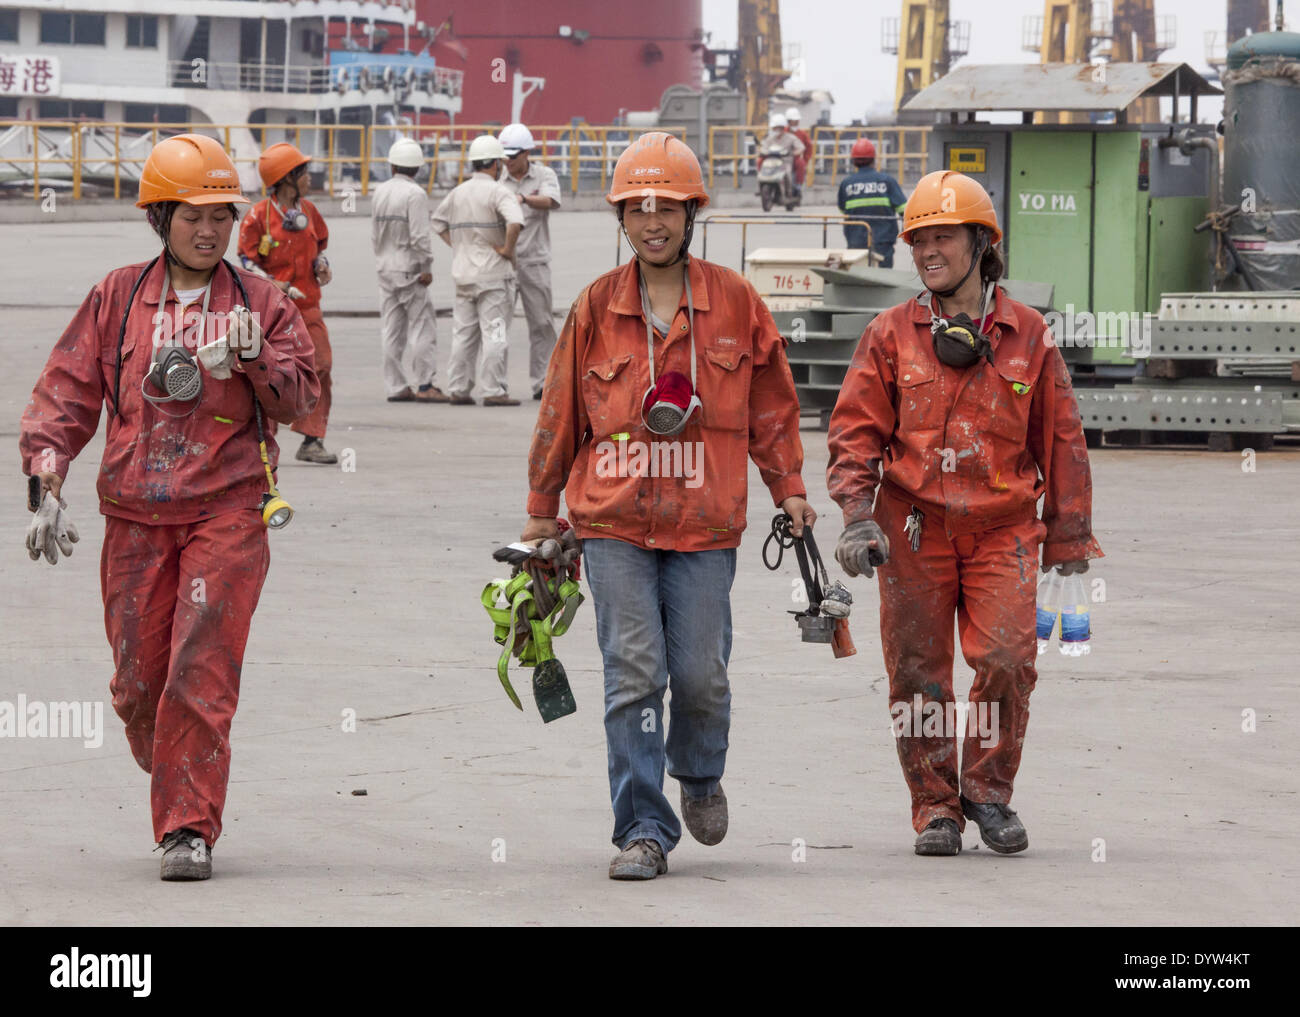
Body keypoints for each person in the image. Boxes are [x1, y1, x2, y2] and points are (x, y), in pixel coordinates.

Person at [19, 133, 319, 880]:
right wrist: (45, 482)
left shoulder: (263, 301)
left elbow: (305, 398)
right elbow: (65, 394)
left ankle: (188, 826)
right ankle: (177, 767)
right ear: (159, 217)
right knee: (138, 685)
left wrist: (257, 359)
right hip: (133, 517)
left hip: (228, 512)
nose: (210, 230)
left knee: (199, 670)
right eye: (192, 215)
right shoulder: (117, 297)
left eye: (221, 214)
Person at [523, 132, 812, 880]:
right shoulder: (595, 306)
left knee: (701, 672)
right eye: (638, 209)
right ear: (621, 217)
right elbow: (559, 412)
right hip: (612, 519)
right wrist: (538, 510)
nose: (653, 222)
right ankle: (643, 826)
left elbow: (774, 410)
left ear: (691, 215)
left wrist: (792, 489)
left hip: (704, 523)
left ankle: (701, 771)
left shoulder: (736, 303)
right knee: (634, 672)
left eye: (667, 208)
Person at [825, 171, 1102, 858]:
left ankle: (987, 789)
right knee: (917, 672)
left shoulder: (1028, 335)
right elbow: (854, 430)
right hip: (914, 529)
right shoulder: (891, 334)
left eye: (943, 237)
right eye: (919, 239)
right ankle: (935, 806)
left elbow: (1062, 438)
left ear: (982, 243)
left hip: (1003, 528)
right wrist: (858, 513)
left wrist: (1068, 537)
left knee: (1008, 657)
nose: (927, 250)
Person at [238, 141, 337, 462]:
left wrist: (321, 266)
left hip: (308, 305)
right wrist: (273, 284)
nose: (309, 177)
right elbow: (245, 261)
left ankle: (311, 440)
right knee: (269, 372)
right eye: (303, 172)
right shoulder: (258, 217)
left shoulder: (309, 212)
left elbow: (319, 247)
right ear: (285, 178)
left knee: (320, 366)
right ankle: (264, 441)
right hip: (272, 312)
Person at [432, 134, 525, 407]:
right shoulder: (499, 191)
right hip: (493, 276)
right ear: (496, 164)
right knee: (494, 333)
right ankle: (493, 390)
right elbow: (515, 221)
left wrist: (459, 248)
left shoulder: (457, 192)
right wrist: (507, 250)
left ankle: (459, 388)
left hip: (463, 274)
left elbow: (438, 223)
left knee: (463, 335)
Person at [371, 137, 446, 403]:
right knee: (422, 328)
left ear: (392, 166)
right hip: (409, 270)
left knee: (391, 330)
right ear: (417, 169)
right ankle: (425, 384)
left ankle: (395, 386)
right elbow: (419, 237)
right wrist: (426, 266)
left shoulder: (380, 191)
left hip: (385, 268)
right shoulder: (415, 194)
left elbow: (375, 234)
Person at [497, 122, 562, 401]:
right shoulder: (497, 180)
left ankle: (544, 384)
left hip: (534, 262)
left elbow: (552, 201)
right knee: (498, 325)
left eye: (512, 156)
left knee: (542, 324)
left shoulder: (544, 174)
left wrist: (523, 199)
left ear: (526, 153)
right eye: (504, 157)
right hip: (503, 263)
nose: (507, 162)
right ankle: (495, 386)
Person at [837, 138, 908, 268]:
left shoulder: (846, 183)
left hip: (855, 241)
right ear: (873, 159)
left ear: (854, 161)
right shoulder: (887, 181)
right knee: (883, 279)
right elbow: (904, 209)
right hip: (882, 241)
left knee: (857, 279)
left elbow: (843, 210)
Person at [785, 106, 814, 195]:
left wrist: (805, 160)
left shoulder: (802, 134)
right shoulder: (782, 132)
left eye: (797, 120)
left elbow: (809, 148)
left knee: (801, 164)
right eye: (794, 120)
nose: (797, 122)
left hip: (794, 158)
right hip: (781, 158)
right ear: (789, 121)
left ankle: (798, 186)